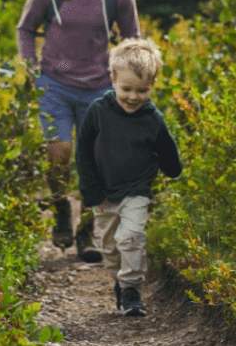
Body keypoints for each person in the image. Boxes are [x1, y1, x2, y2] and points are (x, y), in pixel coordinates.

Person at [17, 0, 140, 257]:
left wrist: (130, 80)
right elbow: (25, 29)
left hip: (99, 87)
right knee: (58, 155)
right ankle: (61, 210)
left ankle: (87, 232)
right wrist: (31, 68)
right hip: (54, 85)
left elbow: (132, 39)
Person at [75, 37, 182, 316]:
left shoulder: (152, 119)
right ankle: (120, 282)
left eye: (142, 90)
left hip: (137, 190)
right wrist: (90, 190)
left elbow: (166, 149)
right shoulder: (98, 112)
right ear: (113, 79)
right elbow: (83, 151)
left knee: (131, 237)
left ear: (152, 85)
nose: (133, 97)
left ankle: (132, 290)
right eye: (127, 89)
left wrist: (173, 167)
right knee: (110, 248)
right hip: (104, 192)